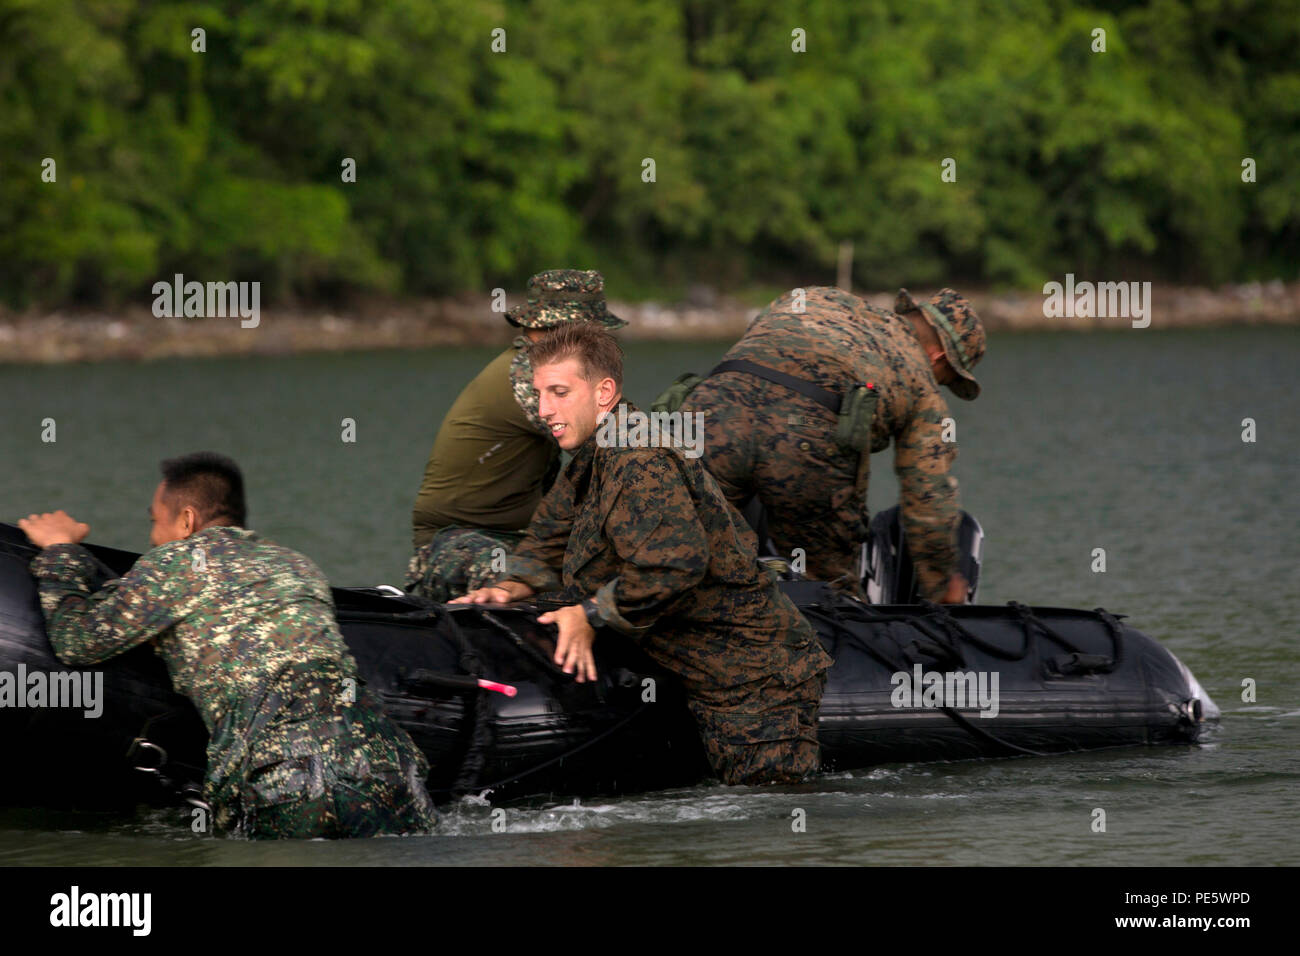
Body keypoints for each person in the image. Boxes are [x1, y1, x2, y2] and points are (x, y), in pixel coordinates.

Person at [453, 323, 833, 786]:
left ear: (604, 392)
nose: (544, 409)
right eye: (539, 393)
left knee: (769, 819)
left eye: (559, 392)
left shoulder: (640, 457)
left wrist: (590, 615)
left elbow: (673, 564)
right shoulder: (595, 453)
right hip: (688, 664)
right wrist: (512, 585)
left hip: (750, 677)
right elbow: (550, 532)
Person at [20, 452, 437, 839]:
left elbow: (76, 642)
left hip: (288, 778)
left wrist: (61, 551)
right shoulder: (297, 565)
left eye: (154, 522)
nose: (152, 538)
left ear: (186, 520)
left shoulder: (175, 564)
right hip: (388, 765)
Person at [674, 286, 985, 601]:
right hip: (803, 442)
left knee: (677, 551)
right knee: (829, 595)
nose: (940, 385)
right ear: (939, 358)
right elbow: (928, 497)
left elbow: (756, 348)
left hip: (706, 415)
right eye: (946, 378)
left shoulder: (818, 298)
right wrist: (943, 582)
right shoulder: (921, 382)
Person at [406, 269, 628, 601]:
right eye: (593, 336)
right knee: (532, 586)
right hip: (453, 544)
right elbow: (613, 448)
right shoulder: (530, 374)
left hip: (512, 538)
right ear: (560, 330)